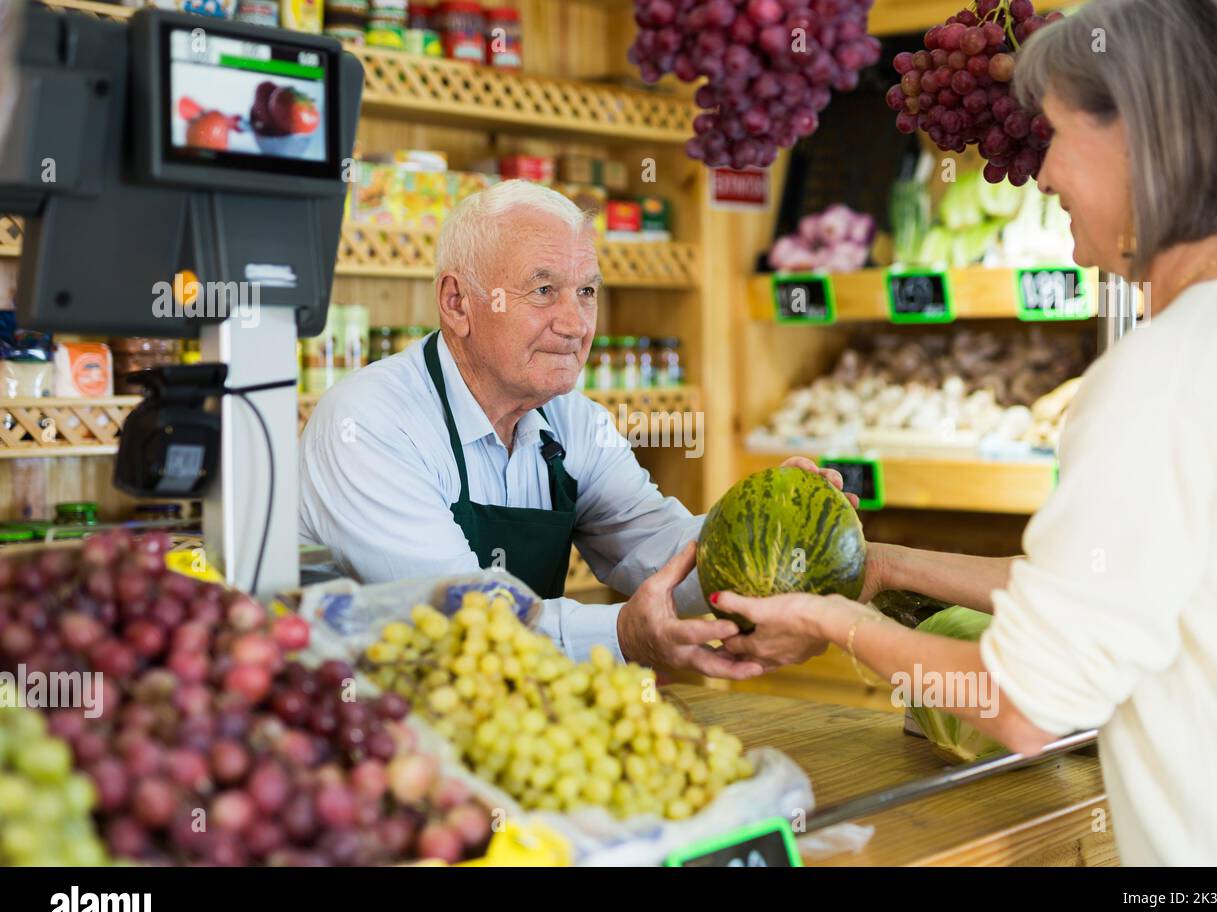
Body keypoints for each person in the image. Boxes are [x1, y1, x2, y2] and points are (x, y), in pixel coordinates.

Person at [710, 0, 1217, 866]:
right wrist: (882, 569)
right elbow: (1116, 588)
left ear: (1145, 134)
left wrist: (834, 622)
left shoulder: (1157, 377)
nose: (1045, 169)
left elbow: (1023, 704)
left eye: (1058, 131)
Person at [300, 179, 851, 679]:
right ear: (457, 302)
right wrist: (624, 635)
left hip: (505, 713)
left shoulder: (574, 422)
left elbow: (656, 548)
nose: (575, 324)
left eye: (586, 292)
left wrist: (763, 531)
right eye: (543, 291)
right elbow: (462, 622)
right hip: (356, 731)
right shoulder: (371, 423)